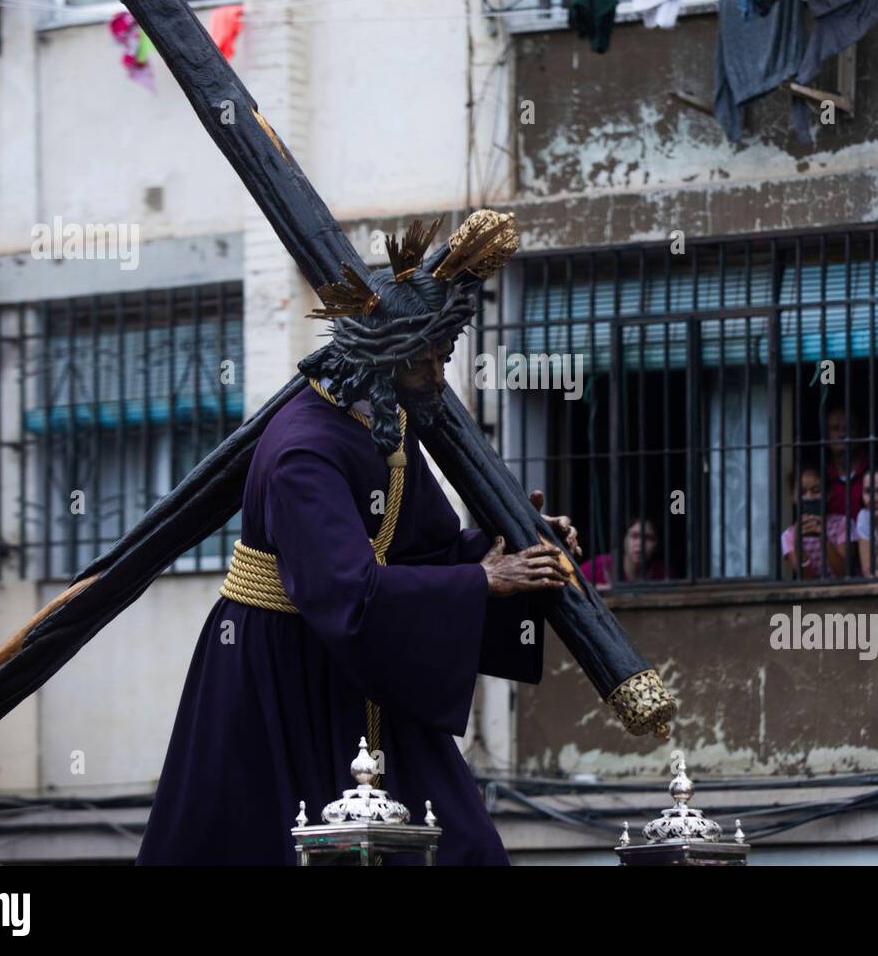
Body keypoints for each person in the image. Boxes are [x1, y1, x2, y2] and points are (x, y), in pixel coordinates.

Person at [136, 213, 580, 866]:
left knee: (464, 848)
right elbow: (347, 590)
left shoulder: (385, 422)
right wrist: (484, 580)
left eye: (444, 348)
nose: (440, 365)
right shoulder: (303, 449)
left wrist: (506, 549)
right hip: (283, 672)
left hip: (369, 661)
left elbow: (418, 553)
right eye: (428, 352)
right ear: (385, 351)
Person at [781, 462, 851, 579]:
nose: (809, 496)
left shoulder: (842, 524)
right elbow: (807, 579)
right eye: (802, 492)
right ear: (793, 497)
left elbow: (844, 573)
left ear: (828, 494)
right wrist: (798, 544)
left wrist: (824, 539)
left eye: (816, 490)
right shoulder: (789, 535)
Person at [580, 517, 665, 589]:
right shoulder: (598, 566)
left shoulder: (664, 574)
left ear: (658, 545)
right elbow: (572, 586)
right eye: (634, 536)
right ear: (624, 539)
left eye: (648, 538)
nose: (640, 543)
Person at [823, 405, 867, 521]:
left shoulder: (876, 471)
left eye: (849, 428)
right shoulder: (821, 476)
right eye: (835, 428)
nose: (842, 434)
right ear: (826, 437)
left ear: (860, 434)